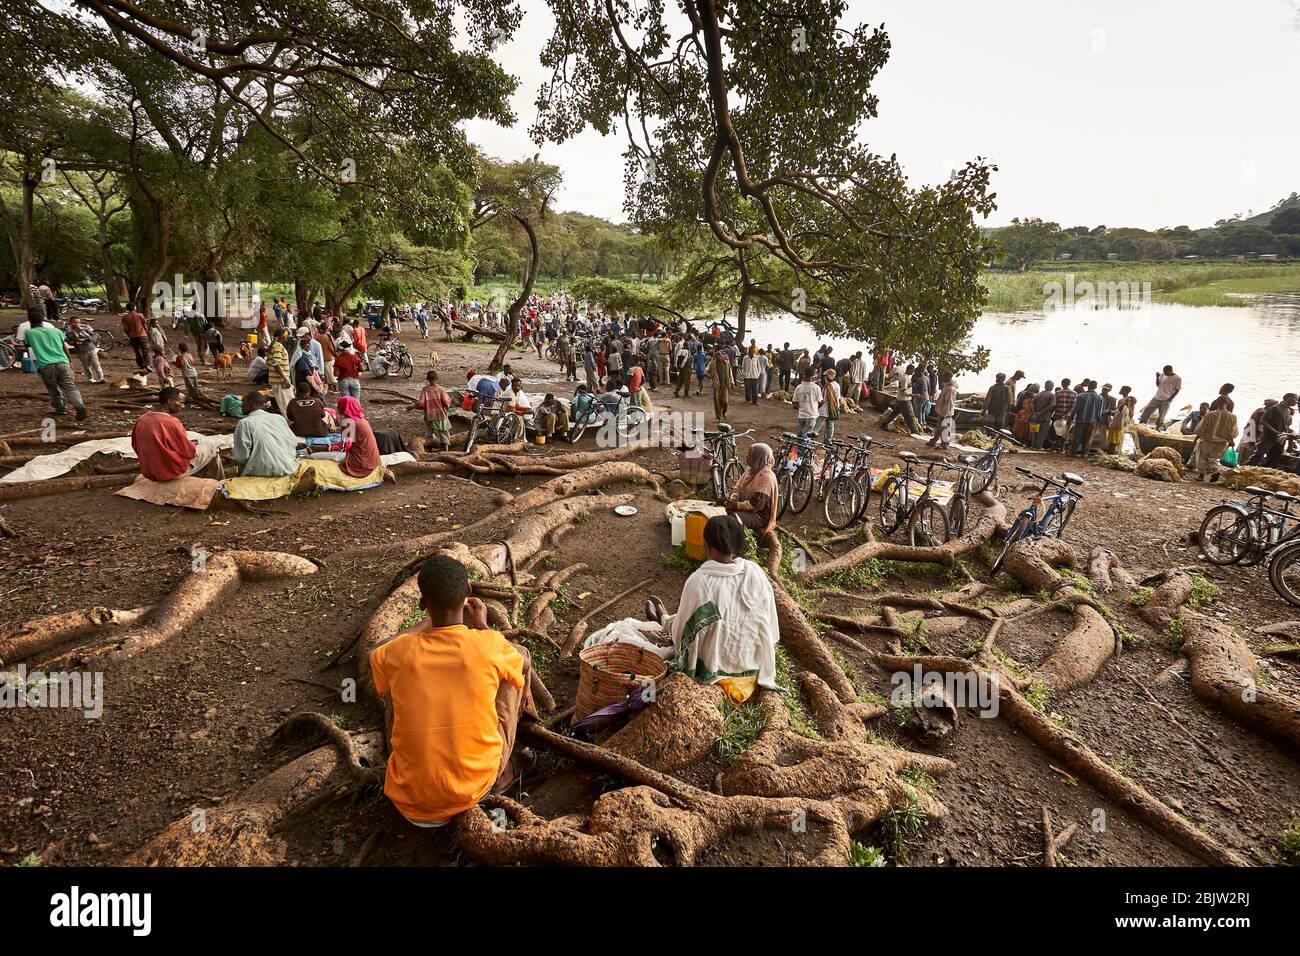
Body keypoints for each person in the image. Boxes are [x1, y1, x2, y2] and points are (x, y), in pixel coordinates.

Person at [368, 554, 534, 828]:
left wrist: (428, 622)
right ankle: (504, 775)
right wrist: (482, 626)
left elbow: (378, 650)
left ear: (423, 605)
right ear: (468, 593)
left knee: (397, 682)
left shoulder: (398, 653)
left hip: (409, 798)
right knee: (517, 660)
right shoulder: (488, 644)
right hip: (473, 788)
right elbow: (524, 662)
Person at [646, 514, 779, 704]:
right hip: (753, 662)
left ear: (706, 546)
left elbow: (682, 638)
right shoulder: (754, 571)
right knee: (706, 618)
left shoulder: (699, 581)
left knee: (680, 623)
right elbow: (771, 626)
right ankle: (666, 619)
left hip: (714, 667)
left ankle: (664, 620)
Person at [130, 387, 221, 480]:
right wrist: (192, 445)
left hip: (149, 470)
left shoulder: (142, 419)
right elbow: (189, 452)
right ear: (170, 402)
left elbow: (134, 445)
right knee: (211, 446)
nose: (182, 406)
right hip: (171, 471)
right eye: (181, 403)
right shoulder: (171, 422)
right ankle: (219, 484)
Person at [24, 310, 87, 421]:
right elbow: (64, 347)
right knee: (70, 387)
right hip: (63, 362)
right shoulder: (56, 331)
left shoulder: (29, 333)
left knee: (53, 388)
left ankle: (60, 408)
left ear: (30, 320)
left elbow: (27, 345)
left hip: (46, 365)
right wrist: (69, 362)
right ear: (43, 319)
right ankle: (79, 405)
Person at [232, 391, 299, 477]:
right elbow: (294, 442)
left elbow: (242, 456)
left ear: (251, 403)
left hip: (261, 471)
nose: (241, 406)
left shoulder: (244, 423)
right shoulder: (279, 418)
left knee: (241, 461)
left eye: (243, 403)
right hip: (289, 467)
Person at [722, 443, 779, 533]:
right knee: (721, 502)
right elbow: (738, 487)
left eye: (750, 455)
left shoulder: (766, 477)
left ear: (758, 457)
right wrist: (733, 499)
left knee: (734, 517)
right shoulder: (751, 470)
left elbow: (755, 505)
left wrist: (736, 505)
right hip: (744, 505)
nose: (747, 456)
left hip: (758, 515)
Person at [1191, 397, 1238, 482]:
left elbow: (1202, 428)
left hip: (1207, 440)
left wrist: (1197, 437)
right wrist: (1232, 441)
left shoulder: (1210, 414)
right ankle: (1215, 470)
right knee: (1213, 458)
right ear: (1227, 404)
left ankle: (1202, 475)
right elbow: (1233, 431)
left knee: (1202, 458)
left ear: (1217, 403)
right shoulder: (1232, 417)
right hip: (1222, 442)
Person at [1249, 394, 1297, 469]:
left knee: (1274, 459)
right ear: (1287, 398)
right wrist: (1274, 431)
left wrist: (1289, 435)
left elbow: (1285, 426)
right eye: (1295, 399)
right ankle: (1246, 468)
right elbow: (1263, 420)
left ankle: (1265, 473)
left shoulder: (1288, 411)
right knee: (1259, 454)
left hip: (1280, 439)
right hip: (1268, 437)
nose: (1296, 401)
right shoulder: (1275, 408)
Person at [409, 370, 452, 450]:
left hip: (429, 415)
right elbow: (446, 401)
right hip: (440, 414)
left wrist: (413, 407)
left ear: (427, 379)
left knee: (429, 433)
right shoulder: (441, 389)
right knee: (443, 431)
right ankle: (446, 449)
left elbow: (421, 403)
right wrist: (448, 405)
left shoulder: (425, 390)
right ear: (437, 378)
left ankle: (429, 448)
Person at [1067, 379, 1105, 457]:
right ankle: (1084, 453)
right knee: (1087, 438)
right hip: (1092, 421)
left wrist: (1070, 418)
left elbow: (1075, 408)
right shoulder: (1100, 398)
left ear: (1088, 386)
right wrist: (1097, 420)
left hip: (1081, 420)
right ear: (1096, 387)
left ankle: (1073, 453)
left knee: (1077, 437)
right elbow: (1099, 412)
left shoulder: (1081, 395)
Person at [65, 316, 104, 384]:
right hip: (81, 350)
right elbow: (68, 340)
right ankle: (90, 378)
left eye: (78, 322)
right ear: (70, 323)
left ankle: (101, 377)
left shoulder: (86, 329)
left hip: (90, 348)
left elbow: (95, 336)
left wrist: (87, 338)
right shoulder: (69, 332)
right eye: (74, 322)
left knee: (96, 363)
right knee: (86, 366)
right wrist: (74, 343)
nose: (77, 324)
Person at [928, 372, 958, 449]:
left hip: (945, 412)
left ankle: (945, 444)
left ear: (948, 377)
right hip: (941, 411)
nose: (942, 378)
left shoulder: (951, 389)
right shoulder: (946, 387)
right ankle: (934, 440)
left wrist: (945, 414)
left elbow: (949, 403)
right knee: (939, 427)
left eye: (944, 376)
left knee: (945, 428)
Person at [121, 302, 149, 370]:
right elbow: (144, 323)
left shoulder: (124, 317)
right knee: (145, 350)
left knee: (137, 351)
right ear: (135, 308)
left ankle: (141, 365)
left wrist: (129, 335)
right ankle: (147, 364)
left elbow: (126, 329)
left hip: (132, 336)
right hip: (142, 335)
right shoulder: (140, 315)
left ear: (127, 309)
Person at [818, 368, 842, 443]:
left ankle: (810, 438)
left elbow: (823, 399)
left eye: (825, 376)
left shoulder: (827, 386)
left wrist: (818, 407)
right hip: (833, 408)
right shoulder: (837, 385)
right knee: (830, 425)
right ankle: (828, 440)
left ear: (827, 376)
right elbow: (838, 398)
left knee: (817, 424)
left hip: (824, 409)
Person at [710, 348, 733, 424]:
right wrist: (712, 378)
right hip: (717, 385)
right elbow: (707, 372)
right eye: (718, 355)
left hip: (725, 385)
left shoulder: (726, 363)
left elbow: (730, 374)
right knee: (717, 402)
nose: (719, 357)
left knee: (725, 402)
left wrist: (732, 382)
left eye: (721, 355)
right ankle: (719, 417)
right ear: (716, 356)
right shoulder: (712, 364)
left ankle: (724, 412)